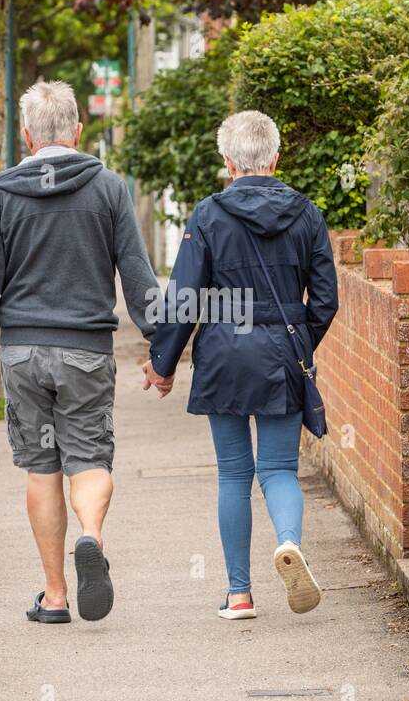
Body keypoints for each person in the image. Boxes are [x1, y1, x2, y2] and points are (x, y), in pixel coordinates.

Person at [0, 80, 157, 624]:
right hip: (85, 352)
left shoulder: (3, 198)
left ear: (26, 136)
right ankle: (90, 535)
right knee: (89, 460)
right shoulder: (109, 189)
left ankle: (56, 595)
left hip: (22, 355)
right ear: (78, 130)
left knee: (42, 470)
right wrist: (161, 345)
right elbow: (137, 277)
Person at [145, 110, 338, 620]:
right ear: (275, 159)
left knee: (234, 473)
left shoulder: (209, 215)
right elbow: (326, 299)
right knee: (278, 469)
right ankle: (289, 542)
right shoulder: (306, 214)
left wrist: (162, 363)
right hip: (281, 352)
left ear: (228, 163)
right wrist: (300, 341)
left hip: (224, 354)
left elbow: (184, 296)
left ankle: (239, 594)